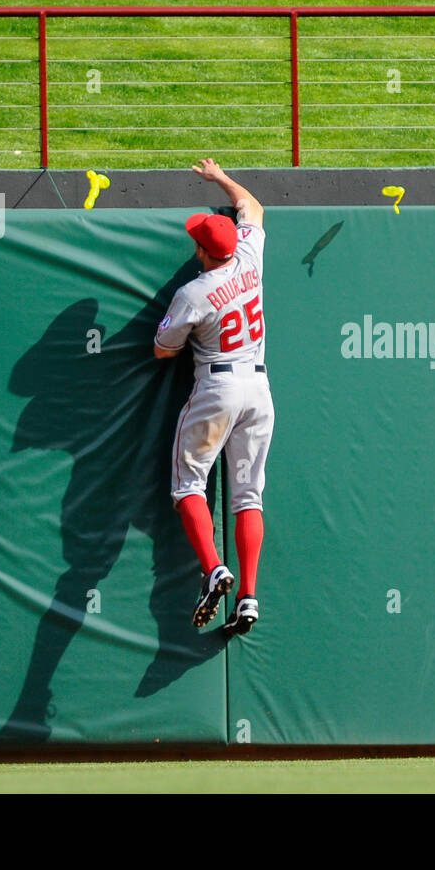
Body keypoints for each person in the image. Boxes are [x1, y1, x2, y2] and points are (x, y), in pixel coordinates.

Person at [154, 158, 273, 636]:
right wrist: (221, 178)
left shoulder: (194, 291)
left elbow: (163, 351)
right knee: (248, 495)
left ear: (204, 250)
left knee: (188, 486)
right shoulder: (249, 255)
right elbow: (253, 206)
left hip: (218, 389)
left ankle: (213, 567)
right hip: (259, 390)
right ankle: (248, 596)